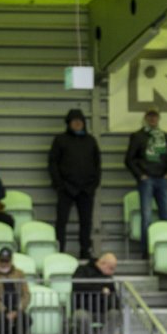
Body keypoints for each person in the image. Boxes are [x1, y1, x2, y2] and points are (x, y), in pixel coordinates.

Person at [49, 108, 102, 259]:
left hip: (86, 189)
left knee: (86, 222)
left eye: (80, 121)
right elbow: (52, 163)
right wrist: (59, 184)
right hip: (66, 188)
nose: (78, 123)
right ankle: (60, 251)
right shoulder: (60, 140)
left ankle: (85, 251)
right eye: (74, 121)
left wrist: (93, 185)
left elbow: (97, 164)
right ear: (69, 123)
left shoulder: (91, 141)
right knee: (61, 221)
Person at [125, 107, 167, 249]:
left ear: (158, 118)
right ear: (145, 118)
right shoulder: (138, 136)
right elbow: (129, 159)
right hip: (147, 180)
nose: (153, 119)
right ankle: (147, 249)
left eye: (155, 117)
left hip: (162, 179)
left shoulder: (163, 136)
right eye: (150, 116)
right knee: (146, 217)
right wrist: (140, 175)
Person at [71, 252, 120, 334]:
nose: (112, 272)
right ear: (102, 263)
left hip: (103, 311)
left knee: (116, 314)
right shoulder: (82, 270)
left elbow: (114, 295)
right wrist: (100, 290)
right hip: (83, 309)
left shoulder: (108, 278)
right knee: (81, 316)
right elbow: (78, 286)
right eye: (111, 268)